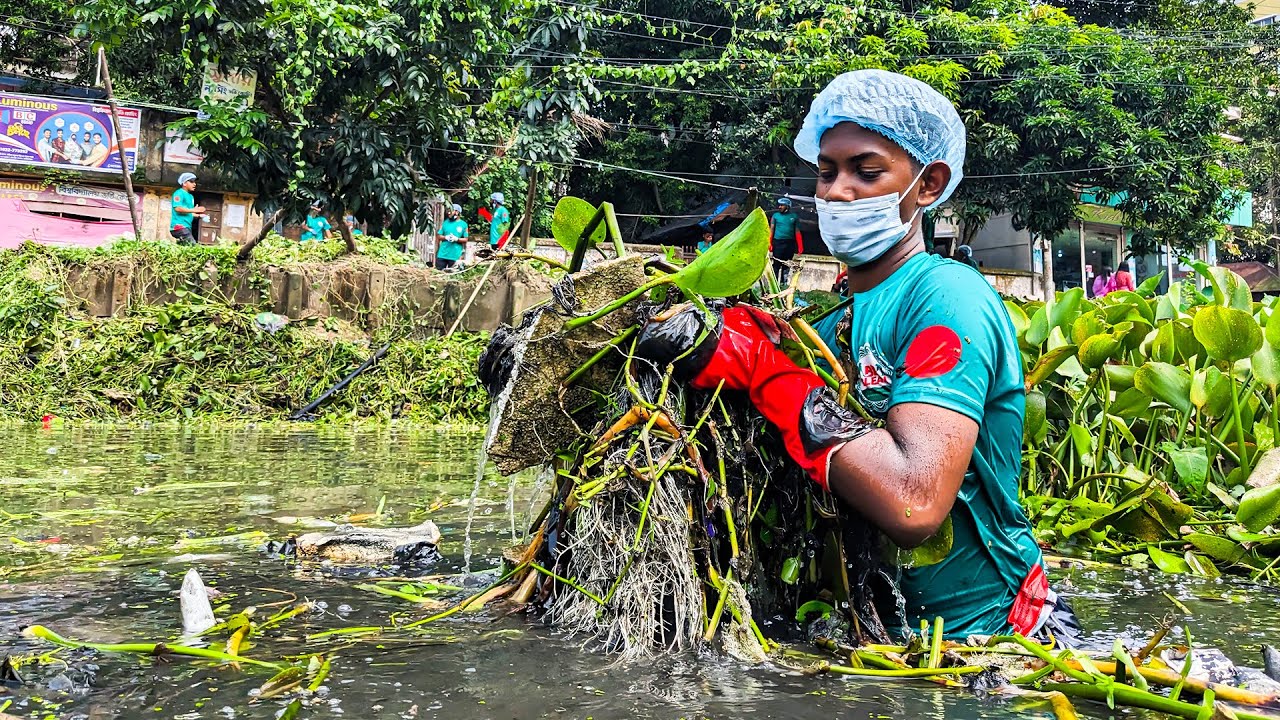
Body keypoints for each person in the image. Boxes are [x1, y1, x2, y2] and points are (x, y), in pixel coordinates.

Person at [637, 69, 1079, 642]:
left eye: (866, 172)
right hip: (870, 640)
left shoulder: (946, 297)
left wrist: (764, 369)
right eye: (826, 172)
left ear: (927, 185)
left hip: (996, 640)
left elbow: (914, 502)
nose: (835, 192)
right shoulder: (826, 321)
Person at [769, 197, 802, 286]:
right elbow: (771, 230)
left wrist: (800, 246)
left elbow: (797, 231)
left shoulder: (794, 217)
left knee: (786, 264)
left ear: (787, 206)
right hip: (778, 243)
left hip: (789, 243)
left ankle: (784, 284)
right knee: (776, 264)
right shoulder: (775, 216)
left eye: (782, 205)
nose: (779, 207)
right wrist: (769, 243)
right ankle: (775, 285)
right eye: (779, 205)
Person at [170, 173, 204, 245]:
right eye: (191, 181)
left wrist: (199, 216)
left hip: (187, 227)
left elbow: (189, 213)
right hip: (180, 227)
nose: (194, 184)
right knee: (193, 247)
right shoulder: (179, 193)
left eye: (195, 182)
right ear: (184, 183)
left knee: (183, 248)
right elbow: (177, 208)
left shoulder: (191, 196)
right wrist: (194, 210)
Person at [435, 204, 468, 271]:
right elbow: (438, 236)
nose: (448, 213)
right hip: (442, 254)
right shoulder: (445, 223)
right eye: (448, 210)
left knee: (454, 273)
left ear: (457, 212)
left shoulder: (463, 224)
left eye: (451, 211)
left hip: (455, 255)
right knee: (438, 272)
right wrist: (445, 237)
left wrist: (456, 239)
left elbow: (466, 239)